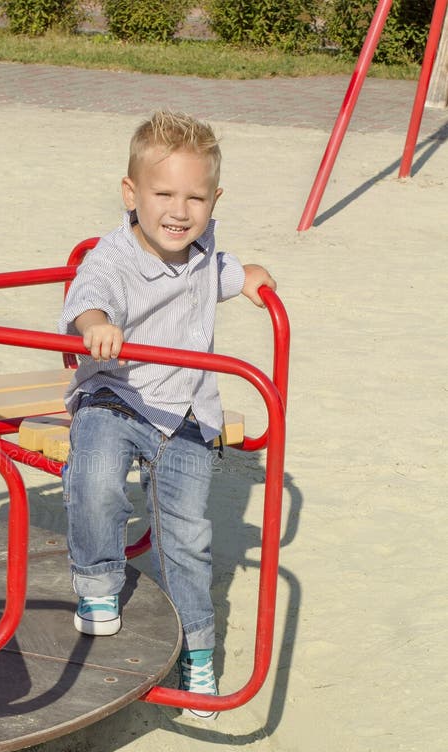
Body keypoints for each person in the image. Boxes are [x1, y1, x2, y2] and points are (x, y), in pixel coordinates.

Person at [58, 110, 276, 718]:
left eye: (195, 197)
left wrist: (249, 276)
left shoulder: (204, 254)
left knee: (188, 538)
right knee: (96, 475)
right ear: (131, 194)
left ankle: (197, 654)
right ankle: (99, 579)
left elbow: (222, 270)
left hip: (185, 410)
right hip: (118, 394)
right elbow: (88, 295)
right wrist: (96, 324)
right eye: (163, 194)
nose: (179, 211)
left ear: (214, 199)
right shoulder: (111, 256)